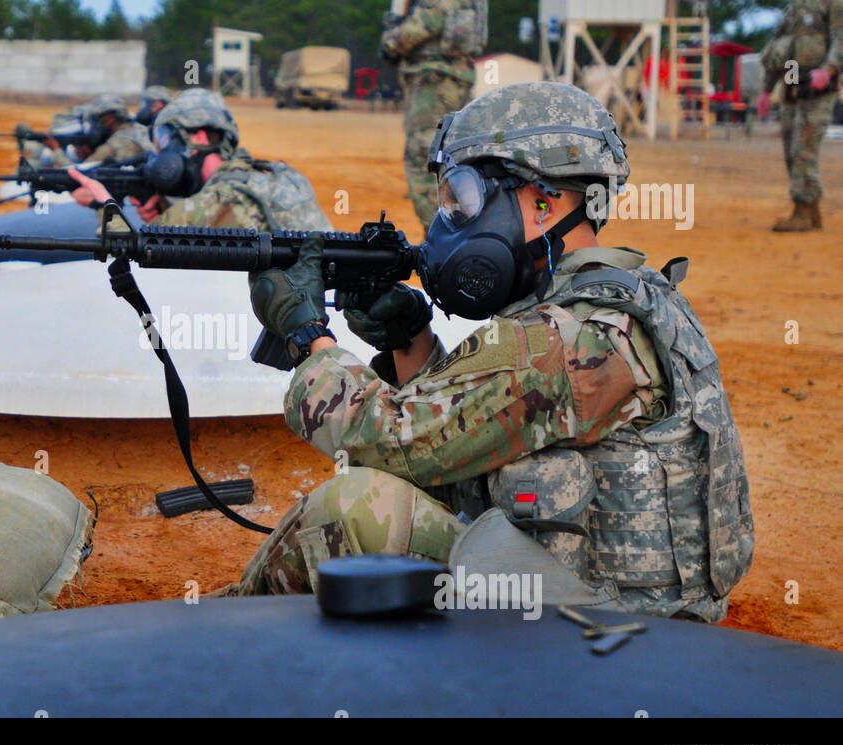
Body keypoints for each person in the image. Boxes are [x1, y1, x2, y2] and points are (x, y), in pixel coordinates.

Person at [231, 81, 754, 624]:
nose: (451, 220)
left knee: (353, 507)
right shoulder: (628, 296)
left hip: (600, 637)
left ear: (542, 202)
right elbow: (464, 440)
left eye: (465, 197)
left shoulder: (564, 340)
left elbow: (390, 443)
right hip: (628, 613)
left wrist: (306, 335)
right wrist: (410, 339)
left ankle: (219, 635)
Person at [68, 87, 332, 231]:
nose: (161, 152)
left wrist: (103, 205)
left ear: (200, 137)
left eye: (166, 139)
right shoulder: (271, 176)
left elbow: (133, 252)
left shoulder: (221, 200)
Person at [380, 0, 488, 233]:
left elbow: (431, 20)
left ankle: (441, 236)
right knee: (448, 158)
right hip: (447, 76)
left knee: (424, 158)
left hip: (435, 77)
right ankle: (455, 234)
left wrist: (393, 42)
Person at [757, 0, 843, 231]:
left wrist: (828, 70)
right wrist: (766, 89)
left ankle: (803, 210)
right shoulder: (795, 7)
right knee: (792, 151)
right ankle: (810, 210)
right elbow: (781, 47)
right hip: (793, 85)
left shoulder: (833, 2)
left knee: (804, 150)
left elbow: (840, 41)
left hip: (819, 87)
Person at [40, 94, 153, 167]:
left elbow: (80, 175)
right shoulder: (141, 130)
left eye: (95, 119)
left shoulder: (115, 144)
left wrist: (55, 149)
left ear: (109, 119)